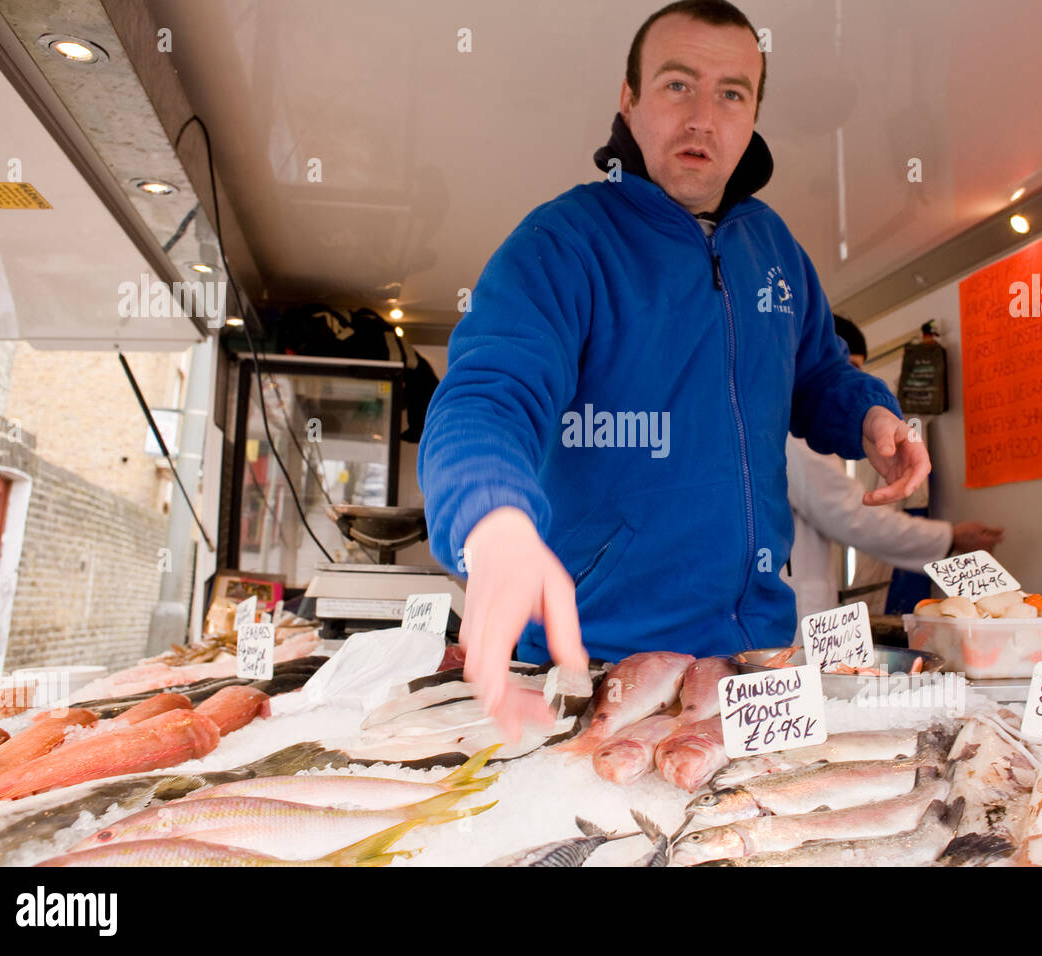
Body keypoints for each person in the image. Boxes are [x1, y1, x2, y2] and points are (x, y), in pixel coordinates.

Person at [417, 1, 930, 735]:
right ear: (629, 101)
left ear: (753, 113)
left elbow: (817, 372)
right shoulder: (562, 243)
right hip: (591, 664)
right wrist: (492, 519)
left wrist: (872, 416)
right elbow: (487, 396)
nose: (703, 118)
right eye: (676, 85)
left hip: (753, 657)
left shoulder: (772, 246)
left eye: (731, 94)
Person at [784, 317, 1004, 625]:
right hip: (793, 614)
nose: (852, 381)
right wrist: (948, 537)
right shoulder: (794, 433)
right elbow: (852, 516)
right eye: (849, 368)